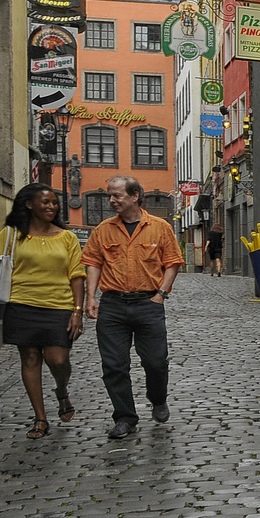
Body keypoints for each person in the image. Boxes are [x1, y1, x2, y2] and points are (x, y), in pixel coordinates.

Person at [0, 185, 87, 440]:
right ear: (29, 204)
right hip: (22, 305)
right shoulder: (11, 234)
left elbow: (77, 275)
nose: (51, 207)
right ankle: (40, 418)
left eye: (54, 202)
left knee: (58, 360)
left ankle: (61, 390)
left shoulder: (67, 238)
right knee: (31, 359)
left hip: (59, 306)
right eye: (45, 202)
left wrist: (77, 311)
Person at [82, 176, 184, 439]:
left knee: (155, 362)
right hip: (113, 305)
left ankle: (158, 398)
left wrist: (161, 294)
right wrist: (91, 297)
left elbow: (172, 262)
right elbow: (93, 263)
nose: (112, 201)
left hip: (148, 303)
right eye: (110, 196)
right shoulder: (103, 230)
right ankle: (125, 417)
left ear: (135, 196)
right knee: (114, 365)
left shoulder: (159, 227)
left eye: (117, 195)